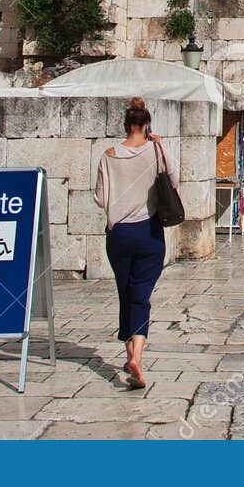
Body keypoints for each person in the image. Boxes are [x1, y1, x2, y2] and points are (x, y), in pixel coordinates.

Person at [93, 96, 177, 389]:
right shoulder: (155, 150)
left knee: (126, 292)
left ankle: (129, 355)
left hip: (119, 235)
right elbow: (173, 182)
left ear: (126, 125)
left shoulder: (107, 155)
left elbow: (101, 199)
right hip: (148, 232)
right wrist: (160, 146)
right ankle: (137, 357)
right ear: (147, 124)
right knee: (141, 295)